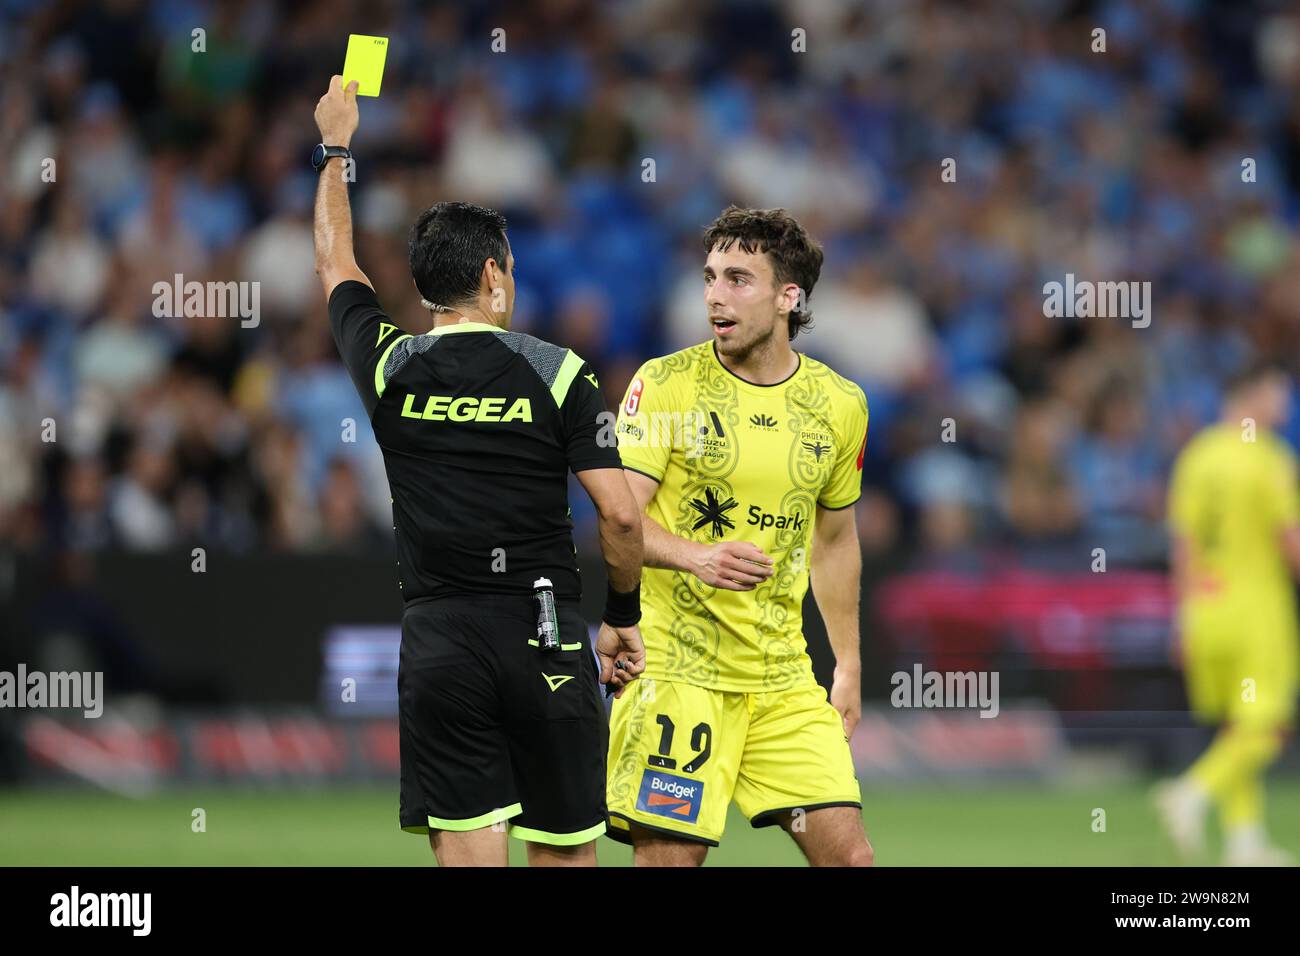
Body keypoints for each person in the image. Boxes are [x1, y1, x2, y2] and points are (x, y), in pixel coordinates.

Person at [312, 76, 645, 867]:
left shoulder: (389, 368)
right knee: (565, 852)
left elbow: (334, 260)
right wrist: (622, 618)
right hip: (546, 633)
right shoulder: (560, 374)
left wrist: (334, 147)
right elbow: (622, 515)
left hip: (441, 642)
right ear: (495, 275)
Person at [605, 205, 873, 865]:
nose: (715, 296)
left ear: (789, 297)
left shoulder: (840, 404)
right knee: (671, 861)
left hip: (782, 677)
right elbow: (621, 520)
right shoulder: (663, 386)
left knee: (853, 859)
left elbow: (834, 543)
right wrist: (697, 557)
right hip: (677, 671)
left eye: (737, 279)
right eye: (710, 277)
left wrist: (847, 663)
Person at [1157, 359, 1299, 866]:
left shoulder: (1196, 455)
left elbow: (1183, 544)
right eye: (1280, 391)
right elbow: (1291, 543)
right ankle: (1192, 793)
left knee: (1235, 728)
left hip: (1207, 608)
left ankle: (1244, 844)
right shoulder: (1268, 458)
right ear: (1253, 394)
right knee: (1268, 726)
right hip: (1257, 608)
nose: (1286, 403)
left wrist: (1184, 615)